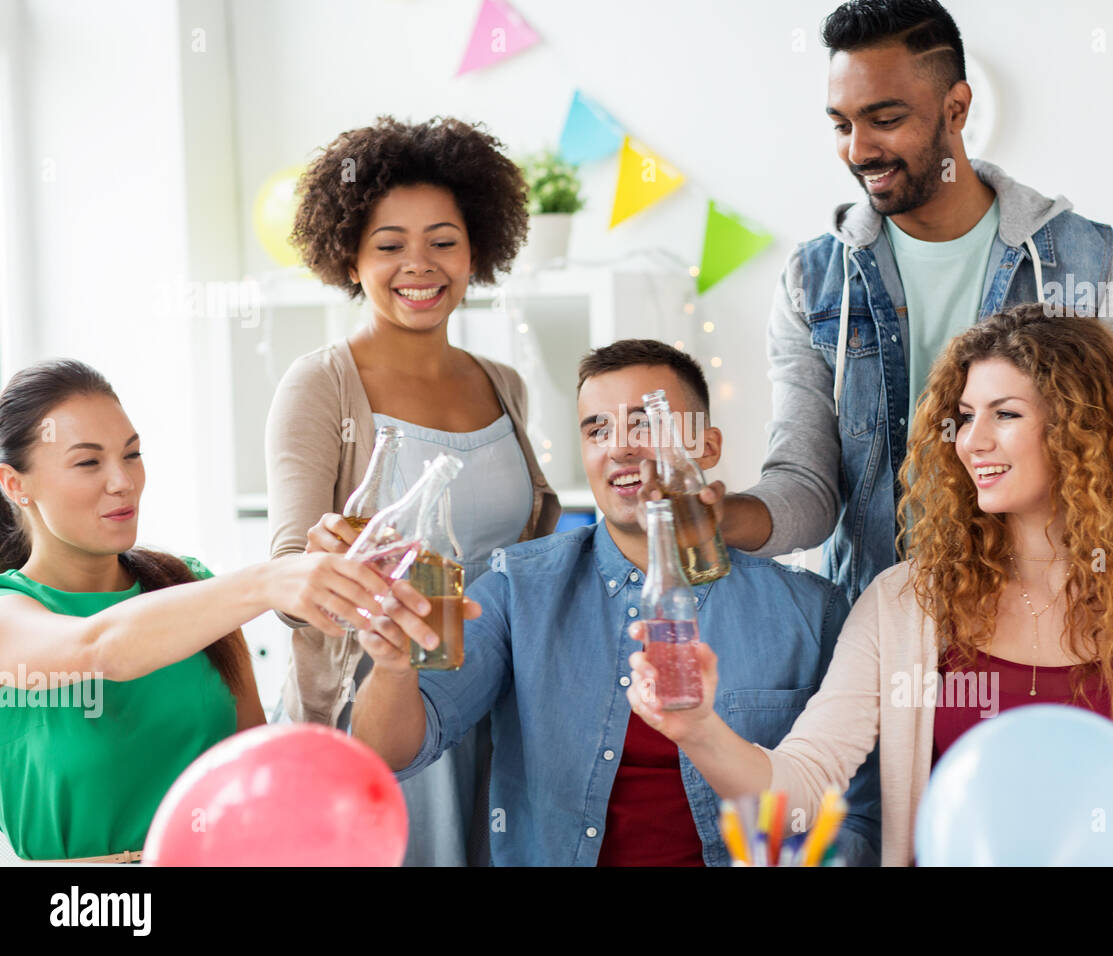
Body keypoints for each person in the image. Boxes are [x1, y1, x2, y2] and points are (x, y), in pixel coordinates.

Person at [628, 306, 1113, 867]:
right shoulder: (905, 603)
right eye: (963, 418)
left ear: (1084, 431)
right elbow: (802, 786)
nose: (971, 442)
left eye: (1005, 414)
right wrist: (698, 729)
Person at [349, 340, 879, 865]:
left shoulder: (813, 612)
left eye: (645, 422)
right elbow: (390, 754)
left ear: (707, 446)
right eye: (598, 429)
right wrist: (394, 669)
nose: (619, 448)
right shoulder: (518, 588)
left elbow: (858, 817)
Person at [716, 0, 1113, 607]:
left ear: (957, 108)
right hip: (878, 624)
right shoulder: (814, 280)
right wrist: (717, 517)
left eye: (885, 119)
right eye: (842, 124)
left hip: (1053, 623)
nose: (859, 150)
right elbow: (807, 487)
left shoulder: (1086, 260)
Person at [267, 115, 560, 866]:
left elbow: (526, 555)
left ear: (477, 249)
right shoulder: (320, 385)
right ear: (350, 258)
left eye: (443, 241)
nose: (419, 266)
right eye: (389, 245)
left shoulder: (505, 385)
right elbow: (287, 580)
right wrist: (325, 561)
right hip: (377, 707)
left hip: (493, 700)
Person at [0, 359, 409, 862]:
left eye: (132, 455)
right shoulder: (9, 614)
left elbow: (259, 776)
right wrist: (271, 579)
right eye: (89, 463)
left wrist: (386, 652)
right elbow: (98, 647)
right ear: (16, 484)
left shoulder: (185, 584)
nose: (122, 481)